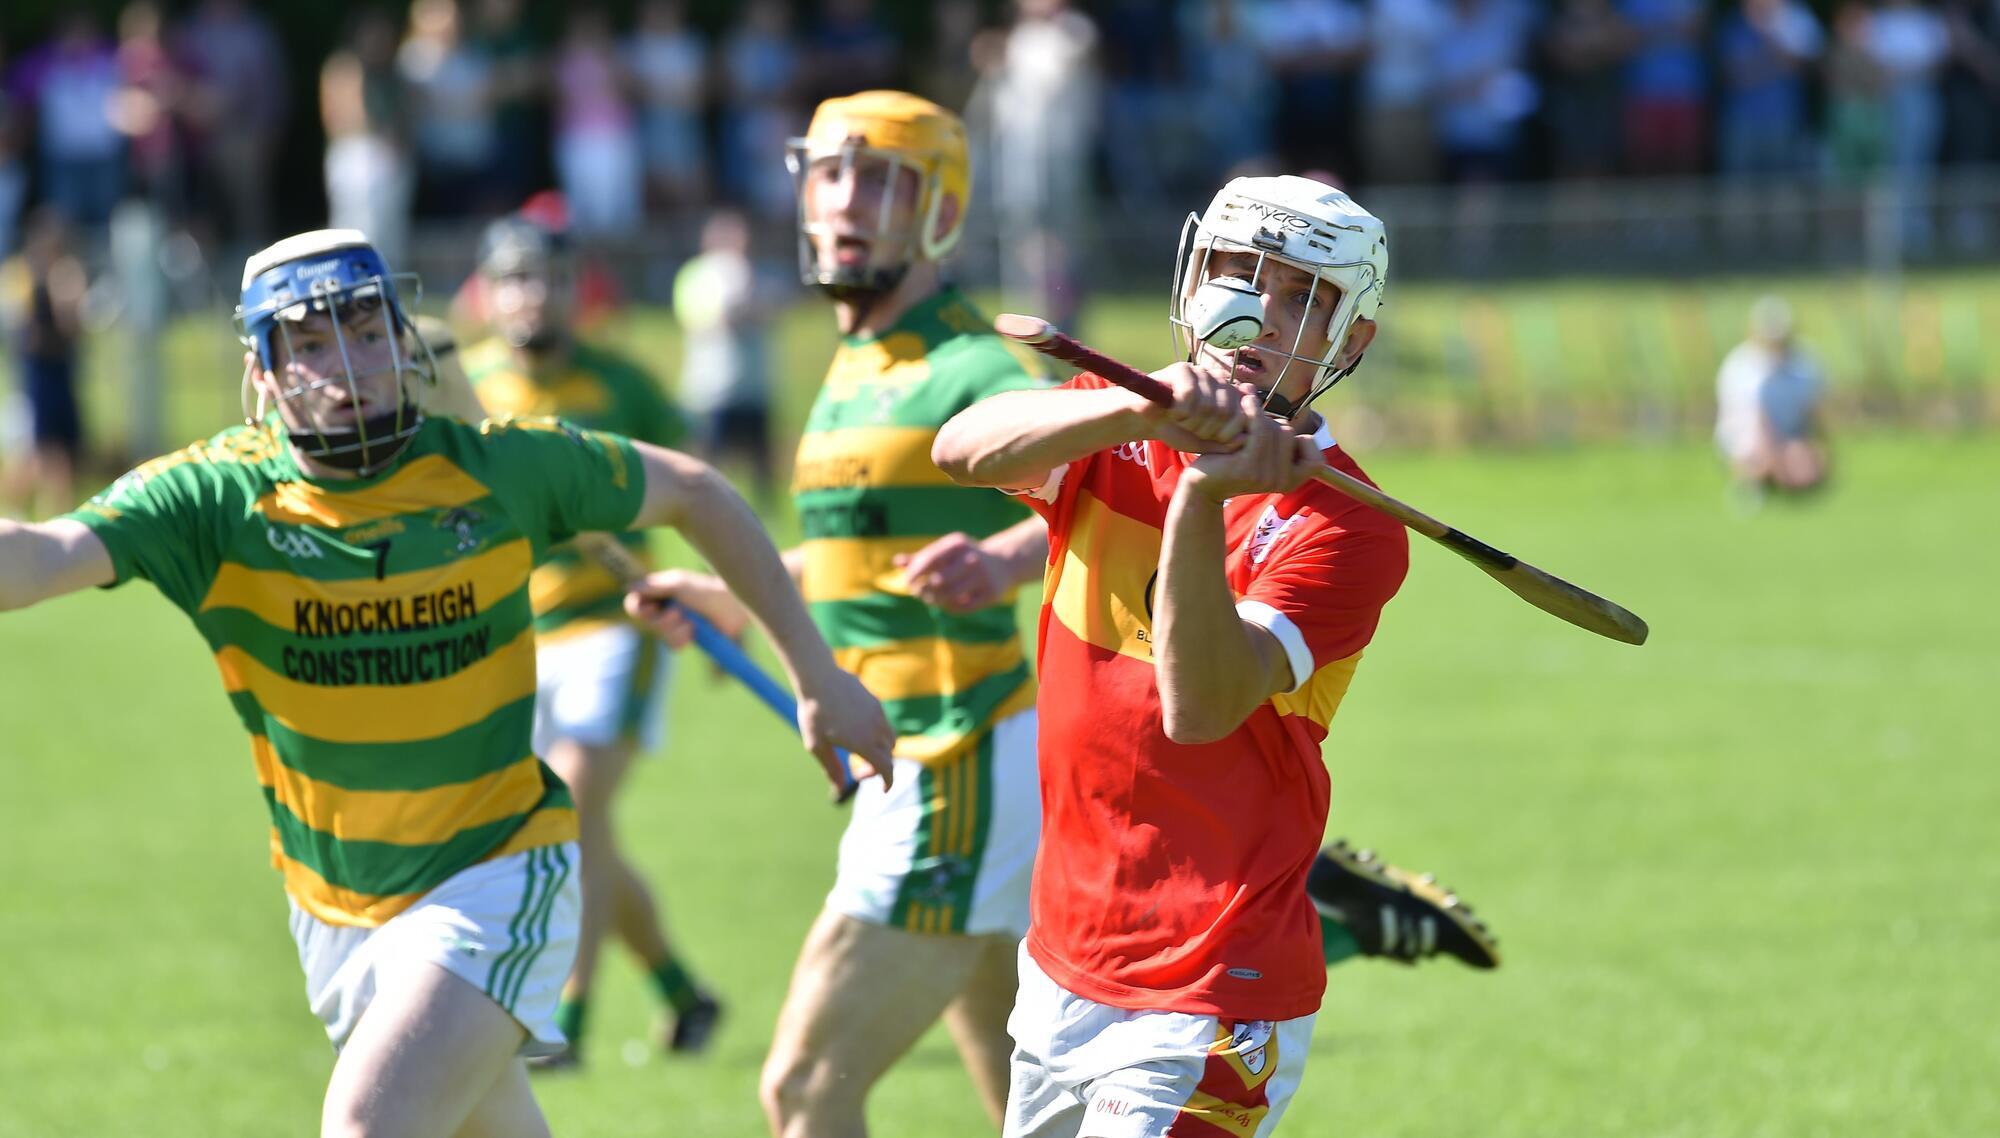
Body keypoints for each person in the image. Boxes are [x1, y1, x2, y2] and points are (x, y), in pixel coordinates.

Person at [0, 227, 893, 1138]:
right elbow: (38, 557)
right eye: (309, 342)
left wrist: (814, 673)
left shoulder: (499, 466)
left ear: (403, 336)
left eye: (364, 328)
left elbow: (695, 491)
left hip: (496, 872)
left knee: (366, 1123)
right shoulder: (213, 502)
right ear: (260, 371)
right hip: (335, 904)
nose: (346, 363)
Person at [931, 173, 1422, 1137]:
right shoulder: (1107, 424)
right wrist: (1141, 418)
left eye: (1303, 300)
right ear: (1193, 284)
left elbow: (1197, 709)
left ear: (1348, 341)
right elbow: (961, 447)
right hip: (1065, 952)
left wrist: (1198, 496)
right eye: (1240, 278)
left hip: (1213, 979)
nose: (1262, 319)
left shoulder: (1348, 530)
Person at [632, 91, 1051, 1137]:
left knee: (806, 1088)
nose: (844, 201)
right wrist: (730, 599)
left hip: (955, 752)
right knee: (1034, 1100)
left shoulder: (973, 364)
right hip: (899, 757)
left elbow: (1112, 495)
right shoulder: (856, 361)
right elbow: (856, 556)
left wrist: (1004, 559)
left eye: (880, 180)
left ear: (938, 211)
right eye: (826, 173)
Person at [460, 214, 720, 1069]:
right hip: (512, 641)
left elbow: (694, 492)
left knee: (570, 808)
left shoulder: (623, 387)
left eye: (551, 280)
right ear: (491, 295)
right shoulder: (467, 392)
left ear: (579, 293)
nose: (535, 295)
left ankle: (563, 1013)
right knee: (583, 830)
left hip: (616, 625)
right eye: (517, 280)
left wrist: (722, 596)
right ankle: (680, 990)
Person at [672, 208, 778, 502]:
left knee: (761, 466)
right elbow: (708, 319)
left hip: (752, 387)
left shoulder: (755, 272)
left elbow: (771, 312)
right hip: (712, 388)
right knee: (709, 464)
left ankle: (765, 518)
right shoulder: (696, 276)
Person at [0, 208, 88, 519]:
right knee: (53, 457)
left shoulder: (65, 274)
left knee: (42, 457)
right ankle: (59, 523)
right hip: (37, 378)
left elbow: (72, 328)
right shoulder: (21, 276)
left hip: (60, 374)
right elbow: (26, 335)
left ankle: (14, 507)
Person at [1714, 295, 1829, 505]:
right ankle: (1752, 485)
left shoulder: (1805, 364)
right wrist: (1773, 452)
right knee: (1755, 454)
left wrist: (1817, 451)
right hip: (1748, 435)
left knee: (1801, 459)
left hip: (1790, 435)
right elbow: (1747, 421)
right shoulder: (1740, 366)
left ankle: (1793, 488)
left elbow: (1812, 414)